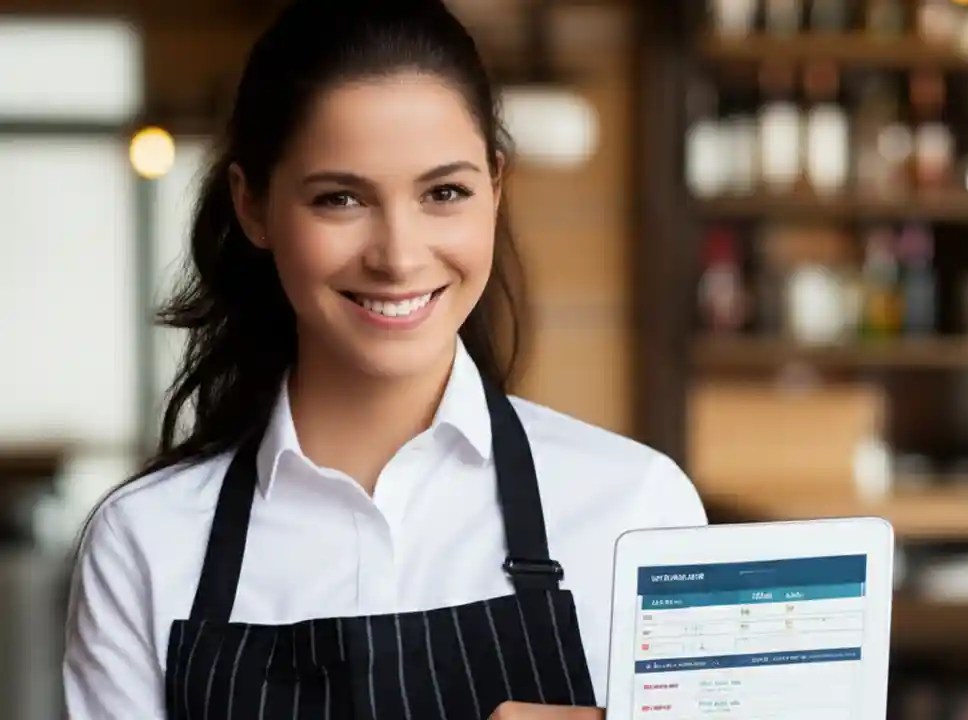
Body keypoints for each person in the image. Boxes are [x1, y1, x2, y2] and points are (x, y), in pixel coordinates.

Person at [61, 1, 706, 718]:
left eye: (444, 193)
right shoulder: (146, 543)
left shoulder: (636, 509)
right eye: (340, 198)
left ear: (495, 189)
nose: (398, 257)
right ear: (253, 206)